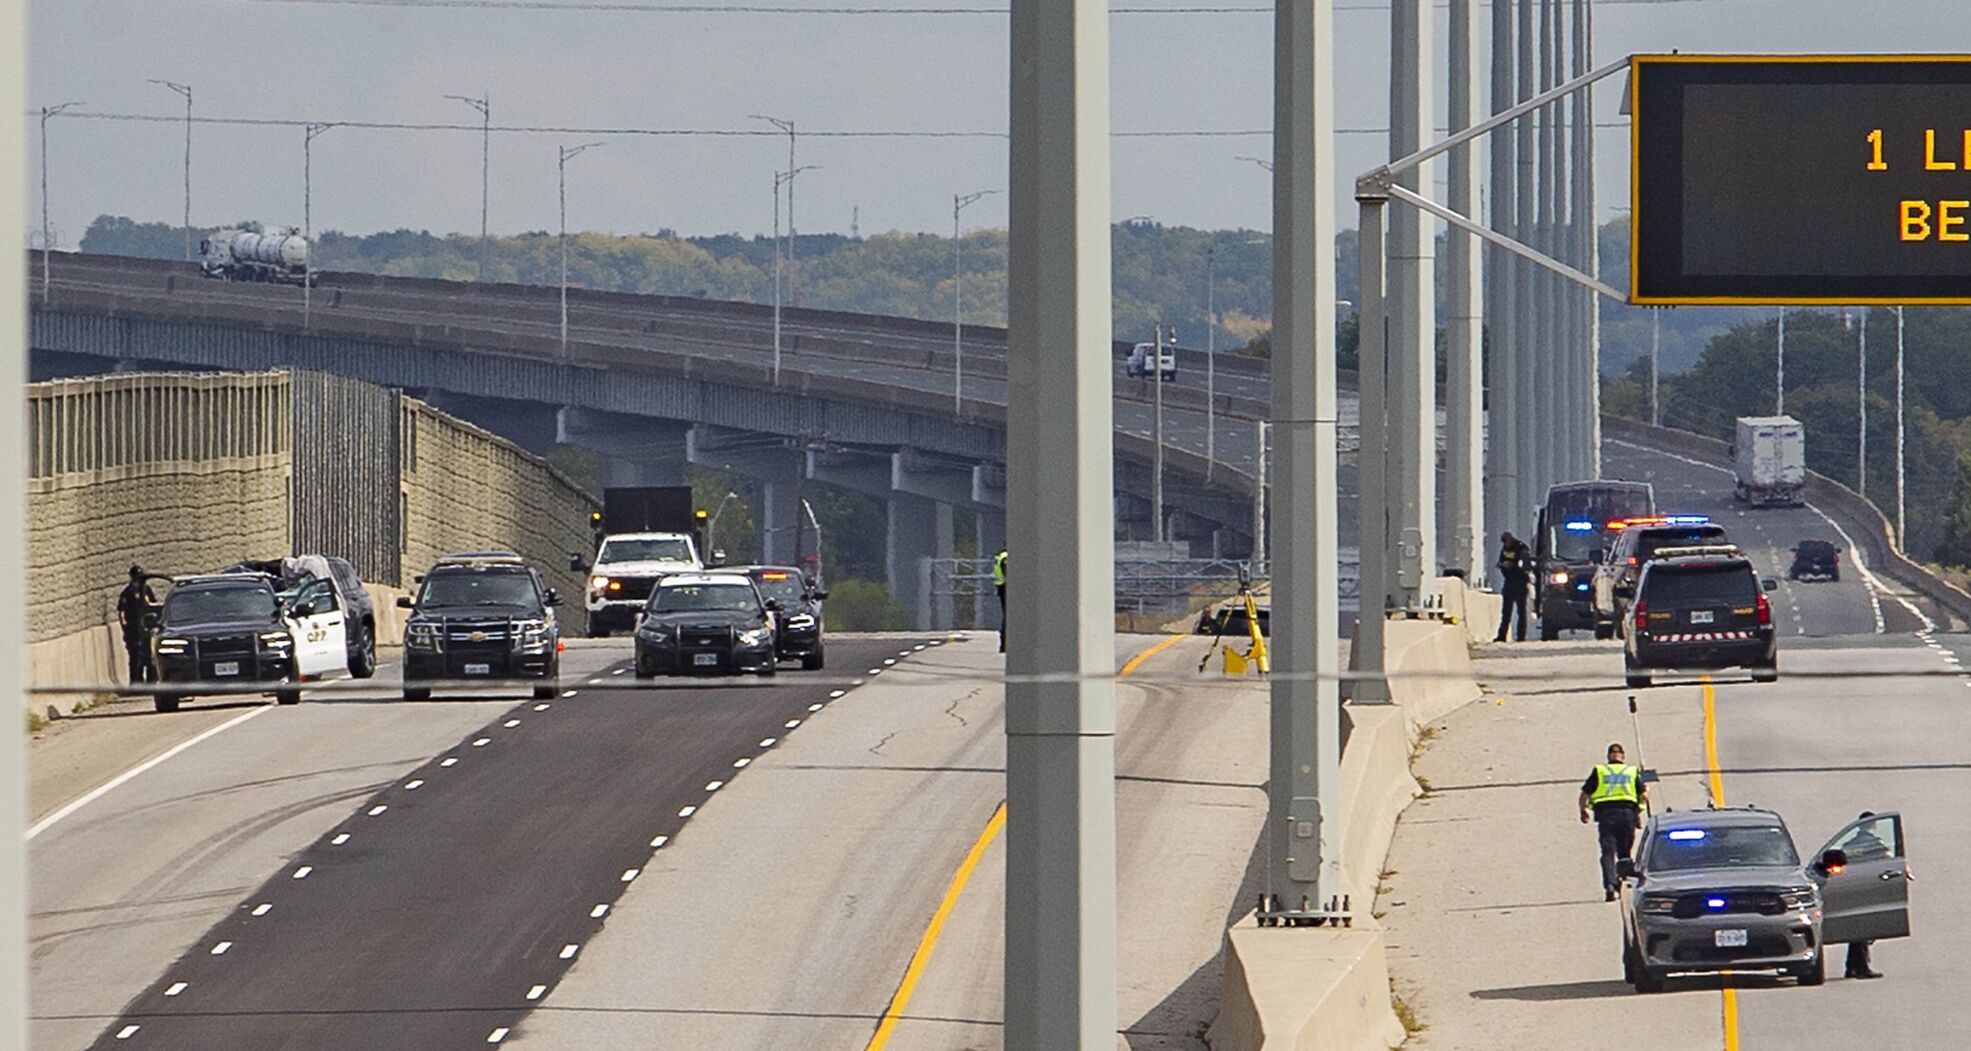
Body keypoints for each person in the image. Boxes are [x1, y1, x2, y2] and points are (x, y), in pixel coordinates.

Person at [1579, 742, 1649, 901]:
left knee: (1608, 852)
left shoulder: (1600, 771)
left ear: (1609, 757)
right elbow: (1644, 795)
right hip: (1627, 816)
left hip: (1606, 816)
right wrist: (1639, 811)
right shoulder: (1631, 771)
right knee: (1625, 853)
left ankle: (1610, 885)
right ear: (1622, 757)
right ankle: (1623, 882)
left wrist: (1583, 811)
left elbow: (1584, 794)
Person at [1841, 811, 1887, 980]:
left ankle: (1851, 966)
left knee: (1856, 927)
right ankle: (1862, 967)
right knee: (1865, 928)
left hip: (1851, 888)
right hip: (1868, 888)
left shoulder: (1849, 844)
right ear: (1873, 825)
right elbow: (1888, 860)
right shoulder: (1876, 844)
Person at [116, 565, 160, 686]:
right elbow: (121, 611)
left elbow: (154, 605)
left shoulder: (147, 590)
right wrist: (124, 628)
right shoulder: (127, 592)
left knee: (149, 656)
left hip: (146, 628)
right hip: (133, 629)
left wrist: (148, 602)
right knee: (135, 657)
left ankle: (151, 681)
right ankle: (136, 683)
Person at [1495, 531, 1533, 642]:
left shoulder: (1521, 549)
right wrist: (1503, 566)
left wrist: (1513, 566)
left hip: (1520, 583)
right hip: (1509, 583)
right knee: (1506, 613)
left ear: (1511, 539)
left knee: (1521, 612)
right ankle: (1502, 636)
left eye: (1507, 542)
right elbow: (1501, 561)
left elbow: (1525, 567)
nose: (1506, 544)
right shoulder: (1505, 550)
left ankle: (1521, 636)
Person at [992, 548, 1008, 653]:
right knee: (1008, 618)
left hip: (1002, 587)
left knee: (1006, 616)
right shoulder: (1006, 557)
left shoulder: (1000, 556)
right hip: (1006, 588)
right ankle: (1005, 644)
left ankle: (1004, 645)